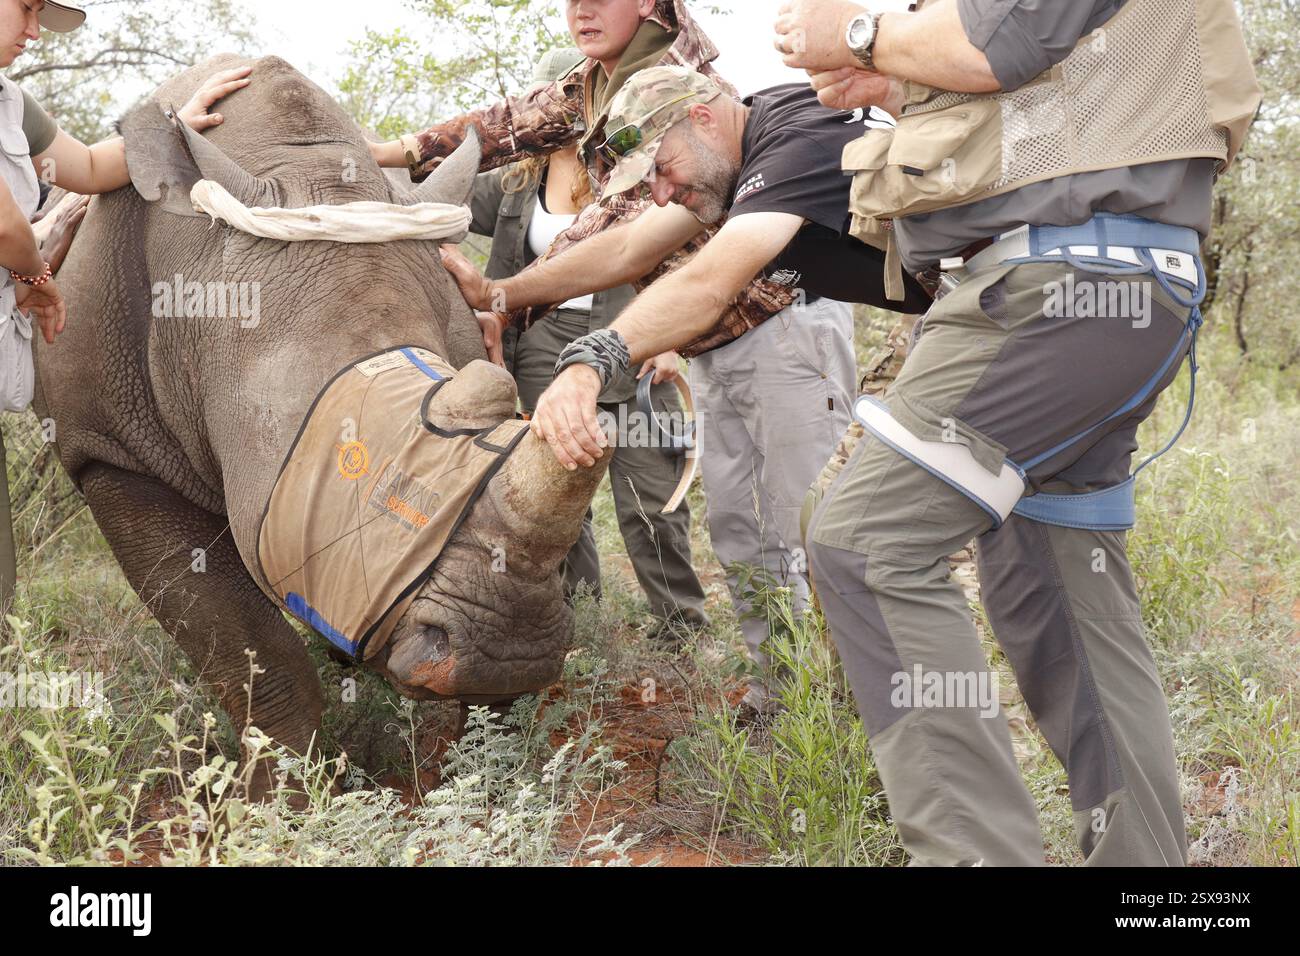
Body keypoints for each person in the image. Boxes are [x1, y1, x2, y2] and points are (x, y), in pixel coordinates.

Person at [774, 0, 1261, 864]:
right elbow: (1048, 99)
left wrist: (854, 33)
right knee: (1059, 590)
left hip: (1061, 288)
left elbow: (999, 45)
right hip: (1107, 291)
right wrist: (895, 80)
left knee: (866, 543)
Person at [373, 1, 875, 716]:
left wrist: (555, 333)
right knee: (740, 531)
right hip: (715, 348)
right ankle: (786, 701)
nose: (661, 190)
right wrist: (378, 158)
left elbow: (663, 255)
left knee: (813, 528)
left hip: (784, 325)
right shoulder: (597, 95)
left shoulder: (697, 97)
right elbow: (520, 147)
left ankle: (858, 712)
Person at [0, 0, 249, 614]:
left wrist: (170, 127)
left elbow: (85, 166)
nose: (33, 32)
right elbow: (6, 224)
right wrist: (35, 273)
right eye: (25, 10)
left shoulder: (10, 104)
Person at [467, 47, 709, 639]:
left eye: (570, 97)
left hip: (635, 334)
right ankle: (575, 627)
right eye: (548, 100)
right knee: (551, 495)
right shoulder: (515, 180)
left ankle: (681, 632)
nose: (559, 109)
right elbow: (437, 203)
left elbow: (689, 246)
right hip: (543, 345)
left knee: (650, 493)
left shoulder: (637, 161)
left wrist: (674, 338)